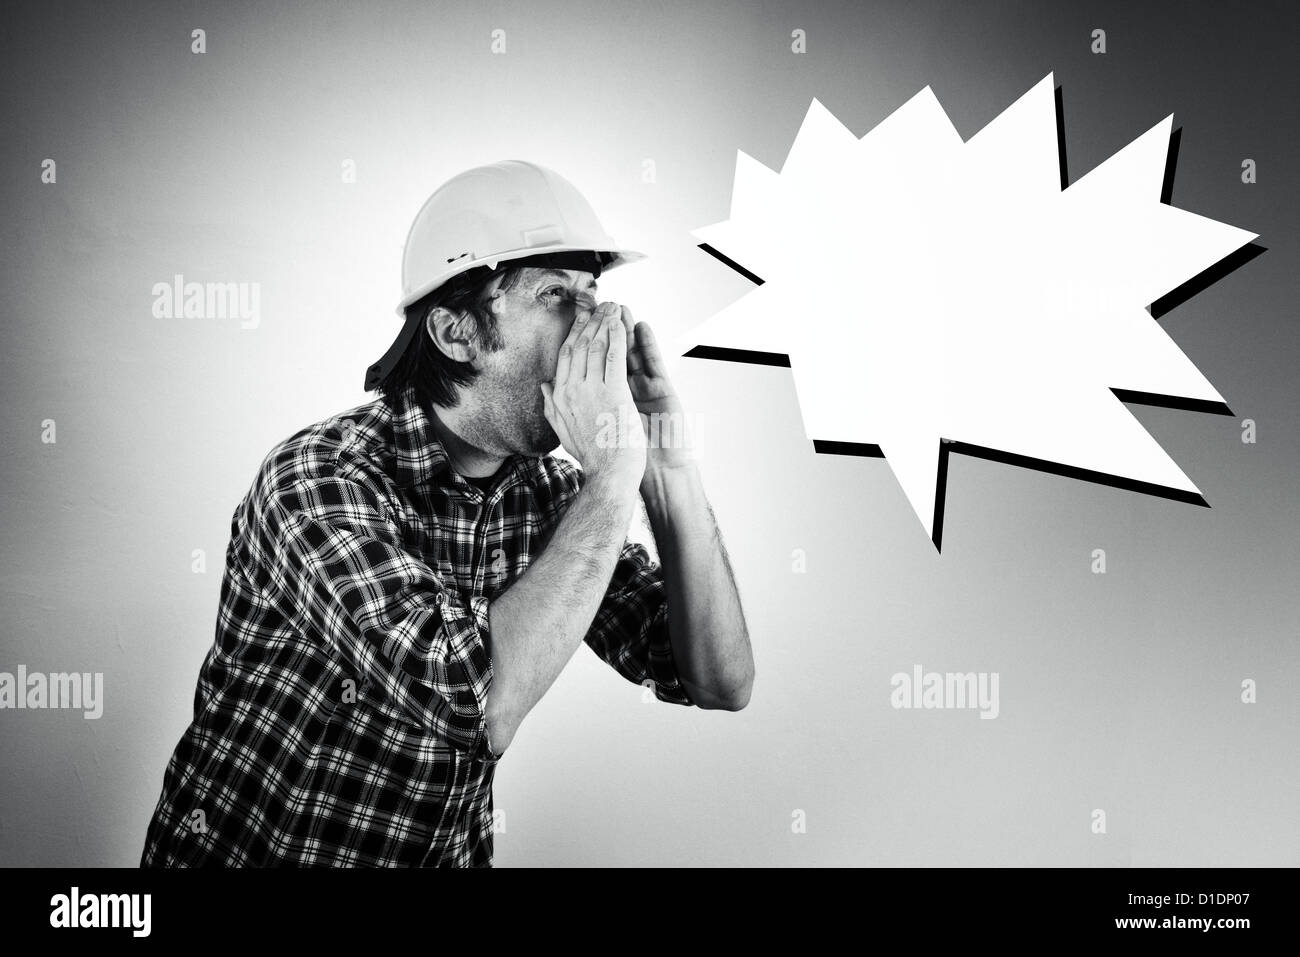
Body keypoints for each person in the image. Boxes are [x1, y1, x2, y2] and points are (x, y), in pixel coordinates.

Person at [140, 160, 753, 867]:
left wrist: (667, 468)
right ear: (456, 333)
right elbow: (478, 703)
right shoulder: (321, 479)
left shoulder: (555, 497)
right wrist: (614, 474)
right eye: (557, 295)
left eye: (594, 294)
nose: (598, 326)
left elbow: (716, 677)